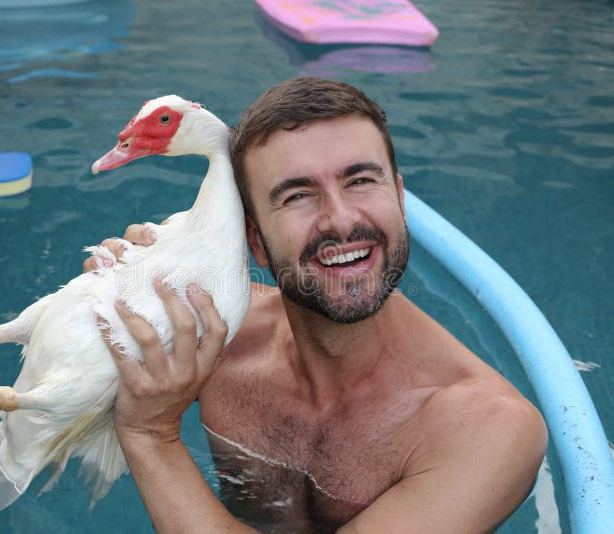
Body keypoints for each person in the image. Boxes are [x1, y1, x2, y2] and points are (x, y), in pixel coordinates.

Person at [86, 78, 548, 533]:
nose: (342, 219)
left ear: (401, 203)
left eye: (361, 181)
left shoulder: (487, 427)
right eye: (298, 195)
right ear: (255, 242)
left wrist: (150, 436)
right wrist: (119, 301)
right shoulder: (217, 336)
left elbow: (148, 429)